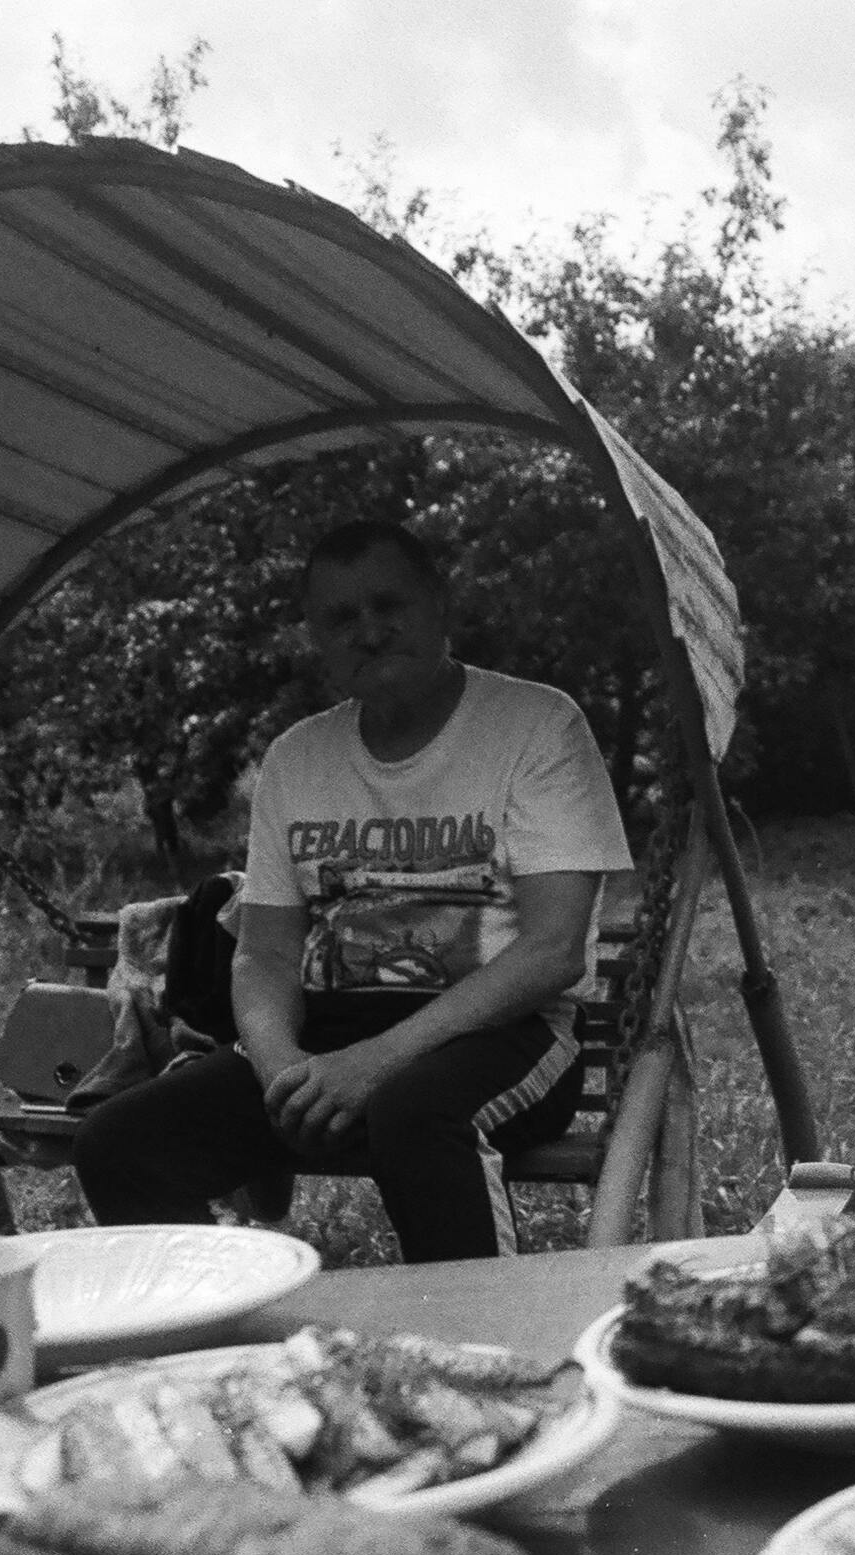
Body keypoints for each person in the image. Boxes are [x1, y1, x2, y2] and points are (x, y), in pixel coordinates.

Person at [73, 518, 631, 1259]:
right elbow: (265, 953)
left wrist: (375, 1063)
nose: (368, 632)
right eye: (341, 618)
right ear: (315, 637)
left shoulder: (534, 726)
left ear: (440, 605)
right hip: (329, 1036)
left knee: (414, 1111)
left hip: (504, 1031)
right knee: (121, 1140)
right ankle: (214, 1348)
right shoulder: (297, 758)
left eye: (387, 605)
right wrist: (283, 1073)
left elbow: (553, 951)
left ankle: (478, 1352)